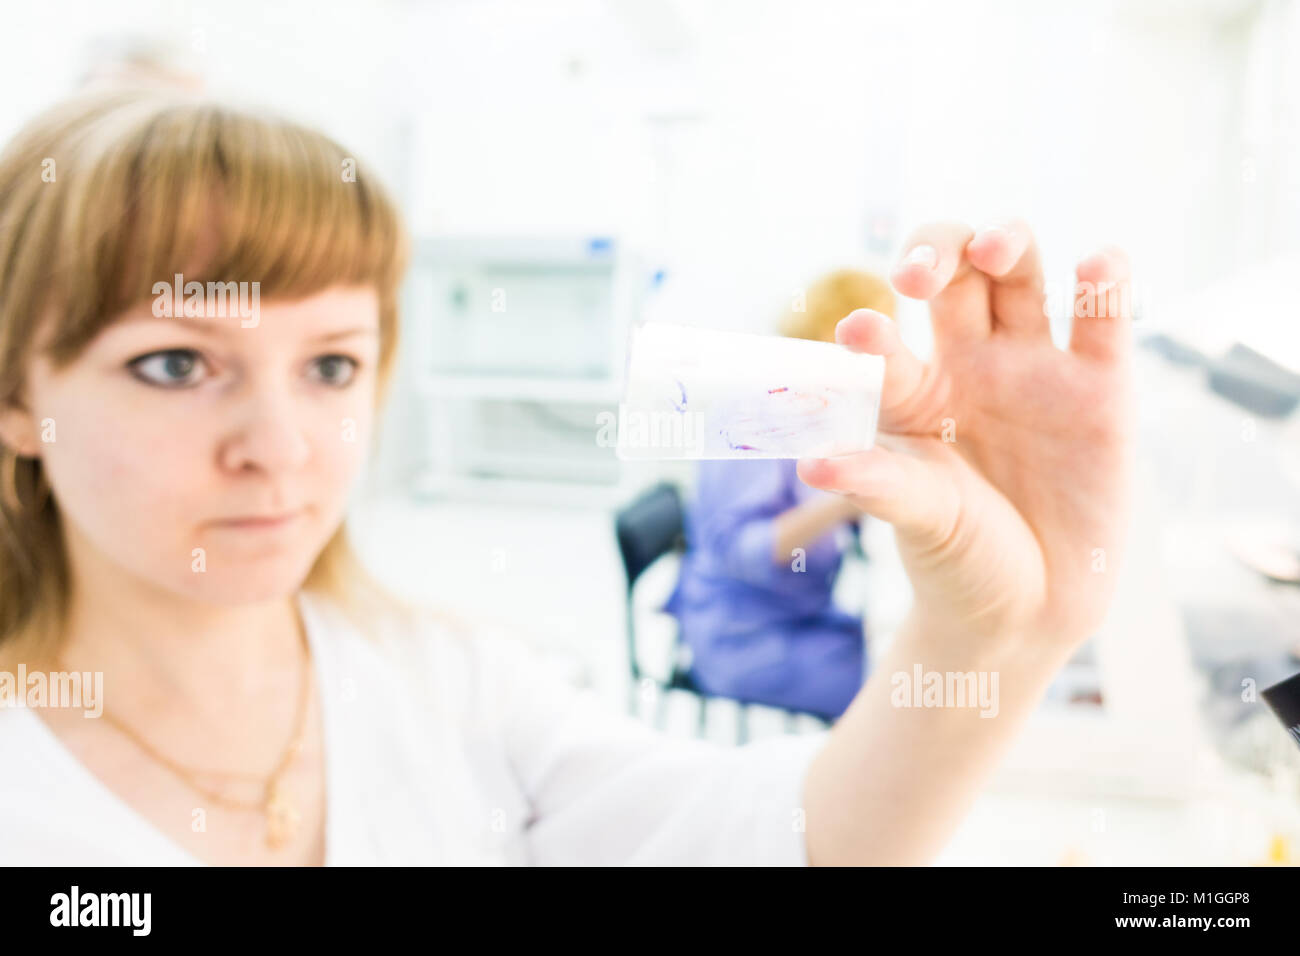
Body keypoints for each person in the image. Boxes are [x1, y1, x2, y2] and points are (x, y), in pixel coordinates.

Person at [0, 89, 1135, 866]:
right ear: (18, 399)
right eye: (174, 361)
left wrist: (994, 636)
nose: (283, 445)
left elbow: (771, 838)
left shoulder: (444, 679)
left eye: (332, 364)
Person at [663, 270, 897, 720]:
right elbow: (740, 551)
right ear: (833, 332)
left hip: (801, 618)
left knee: (903, 655)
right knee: (894, 698)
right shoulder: (755, 413)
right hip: (743, 640)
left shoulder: (812, 405)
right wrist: (840, 505)